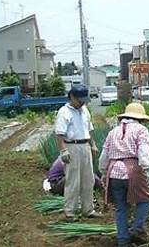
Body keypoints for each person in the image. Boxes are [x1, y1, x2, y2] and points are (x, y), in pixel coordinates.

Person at [99, 102, 149, 247]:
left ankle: (123, 241)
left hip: (113, 172)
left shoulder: (113, 131)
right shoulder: (141, 130)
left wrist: (104, 171)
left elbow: (105, 153)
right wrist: (148, 169)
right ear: (140, 119)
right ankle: (137, 228)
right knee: (146, 199)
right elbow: (143, 149)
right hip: (132, 170)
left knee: (121, 207)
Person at [54, 84, 102, 221]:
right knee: (73, 181)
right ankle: (70, 212)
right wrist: (63, 150)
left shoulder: (84, 110)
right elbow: (59, 134)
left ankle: (89, 209)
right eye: (80, 100)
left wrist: (93, 145)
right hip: (72, 147)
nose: (82, 103)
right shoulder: (64, 112)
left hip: (85, 146)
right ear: (72, 97)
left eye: (84, 100)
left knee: (89, 179)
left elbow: (89, 129)